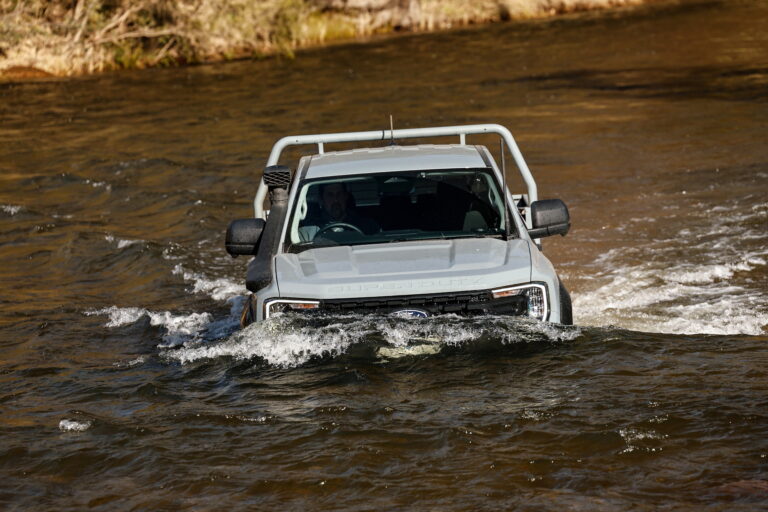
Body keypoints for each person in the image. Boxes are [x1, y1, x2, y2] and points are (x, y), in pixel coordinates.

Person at [299, 182, 379, 241]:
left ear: (345, 197)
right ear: (321, 200)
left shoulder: (367, 226)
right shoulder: (308, 231)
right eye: (330, 195)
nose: (336, 200)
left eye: (339, 194)